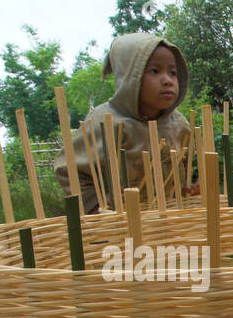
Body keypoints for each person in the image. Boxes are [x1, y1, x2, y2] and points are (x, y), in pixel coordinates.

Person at [54, 33, 196, 214]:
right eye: (155, 71)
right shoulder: (103, 122)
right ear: (130, 76)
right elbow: (68, 170)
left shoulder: (179, 125)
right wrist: (96, 202)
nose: (167, 80)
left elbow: (185, 166)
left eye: (173, 72)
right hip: (116, 226)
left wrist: (190, 186)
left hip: (165, 224)